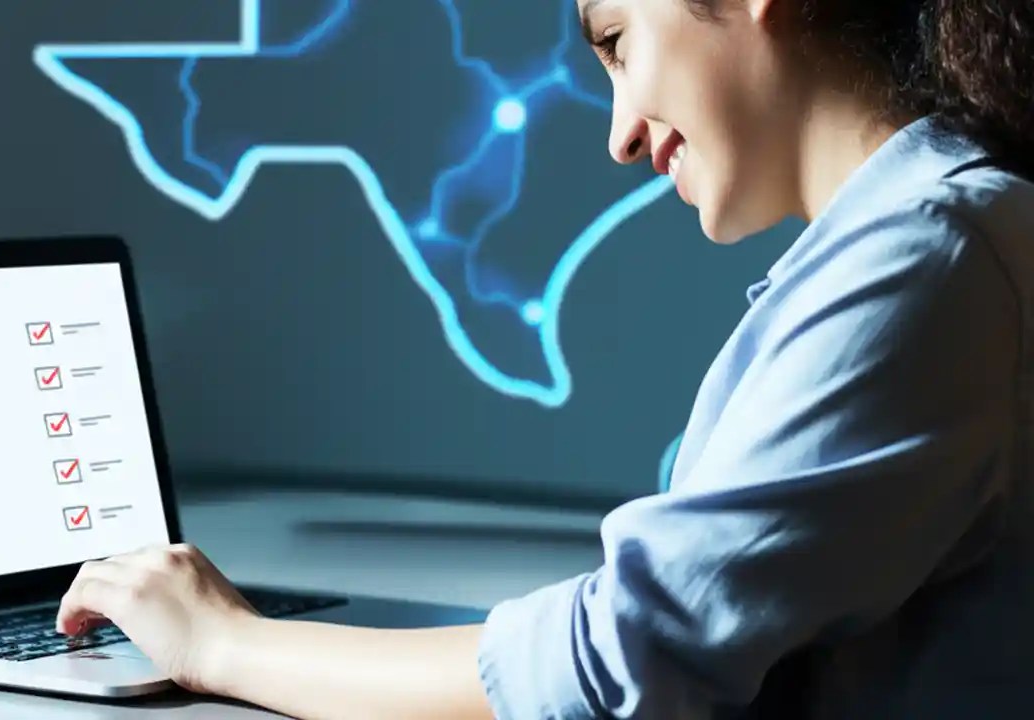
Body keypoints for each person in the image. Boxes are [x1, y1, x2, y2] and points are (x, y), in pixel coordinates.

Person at [54, 0, 1034, 717]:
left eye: (615, 43)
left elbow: (618, 665)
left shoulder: (929, 258)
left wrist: (223, 644)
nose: (616, 135)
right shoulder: (953, 232)